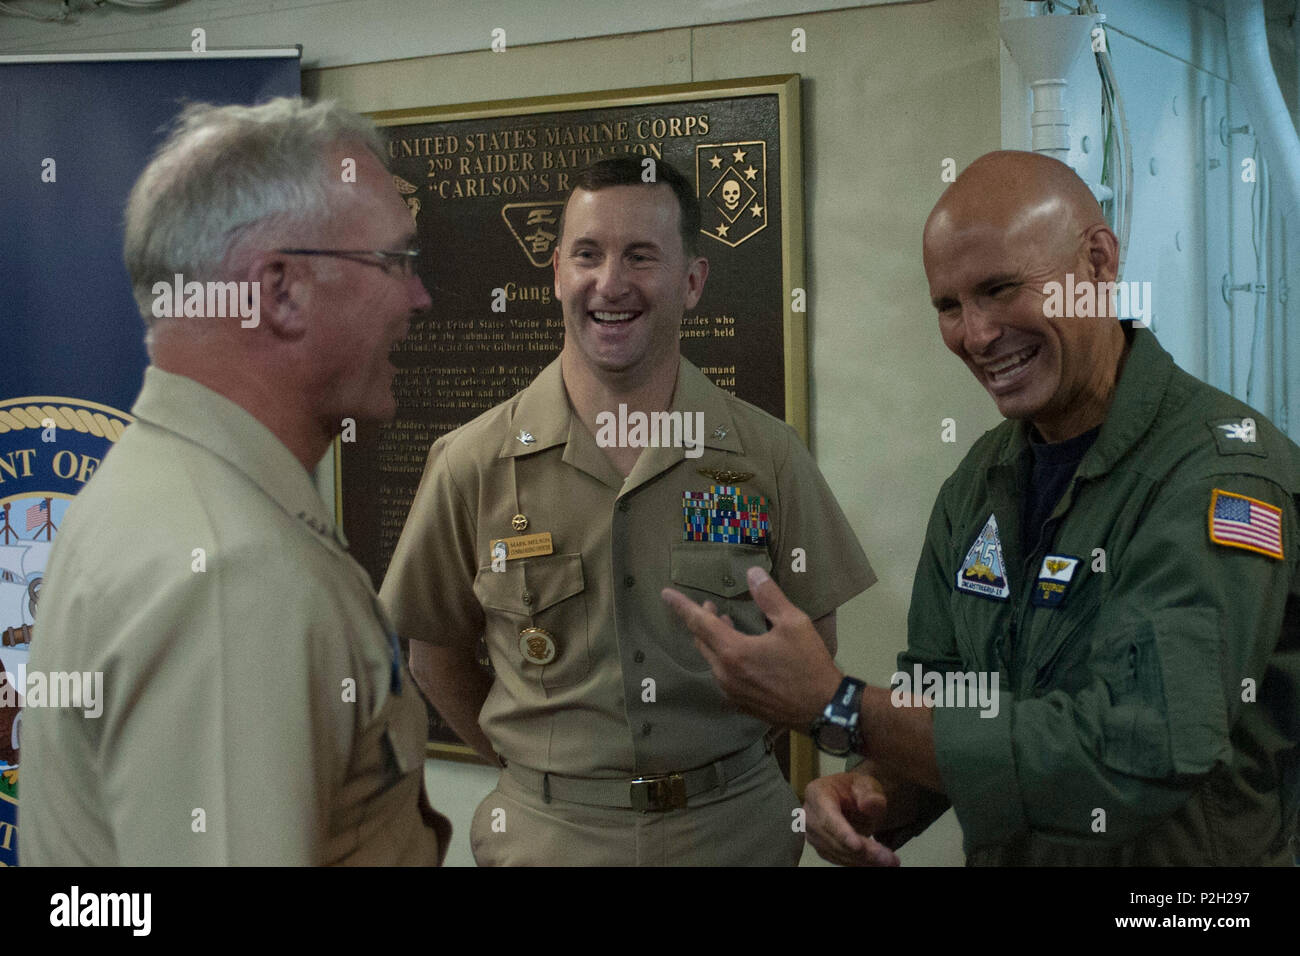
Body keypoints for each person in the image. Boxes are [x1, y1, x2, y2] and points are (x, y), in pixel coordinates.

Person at [663, 150, 1300, 866]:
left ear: (1098, 262)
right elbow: (947, 700)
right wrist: (875, 793)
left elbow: (1137, 752)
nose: (976, 333)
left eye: (1000, 289)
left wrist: (839, 705)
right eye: (949, 306)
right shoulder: (982, 482)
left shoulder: (1220, 475)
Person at [381, 156, 875, 866]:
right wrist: (548, 778)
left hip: (735, 836)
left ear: (693, 282)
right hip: (545, 843)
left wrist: (711, 776)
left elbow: (811, 646)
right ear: (556, 272)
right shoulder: (471, 464)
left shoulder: (767, 457)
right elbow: (435, 657)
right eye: (588, 255)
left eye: (641, 257)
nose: (610, 284)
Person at [21, 97, 451, 865]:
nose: (417, 297)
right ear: (282, 292)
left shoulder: (170, 489)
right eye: (394, 261)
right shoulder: (231, 572)